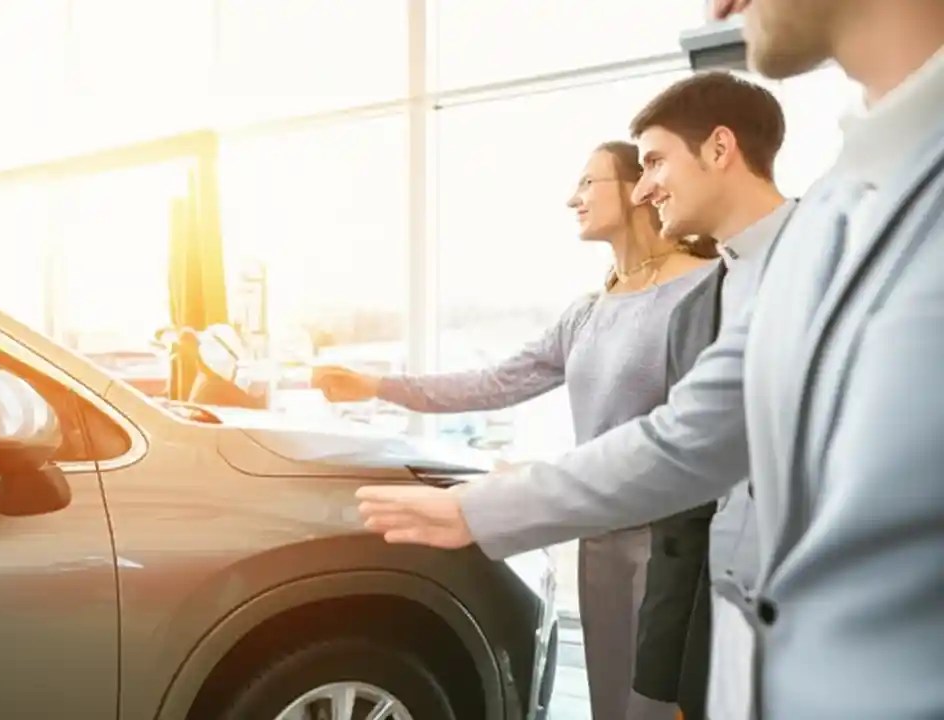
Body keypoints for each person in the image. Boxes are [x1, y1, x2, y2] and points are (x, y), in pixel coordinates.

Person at [355, 0, 944, 717]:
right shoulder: (839, 213)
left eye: (656, 162)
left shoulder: (817, 236)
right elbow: (690, 438)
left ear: (720, 149)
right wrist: (476, 507)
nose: (715, 7)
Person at [314, 140, 715, 720]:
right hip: (601, 540)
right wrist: (377, 386)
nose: (571, 198)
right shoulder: (587, 311)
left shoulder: (705, 287)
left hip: (677, 546)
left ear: (637, 188)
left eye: (587, 183)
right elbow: (496, 382)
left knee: (665, 707)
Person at [619, 72, 792, 719]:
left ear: (719, 149)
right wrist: (666, 676)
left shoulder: (851, 264)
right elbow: (684, 501)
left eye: (656, 161)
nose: (644, 189)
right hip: (717, 640)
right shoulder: (693, 314)